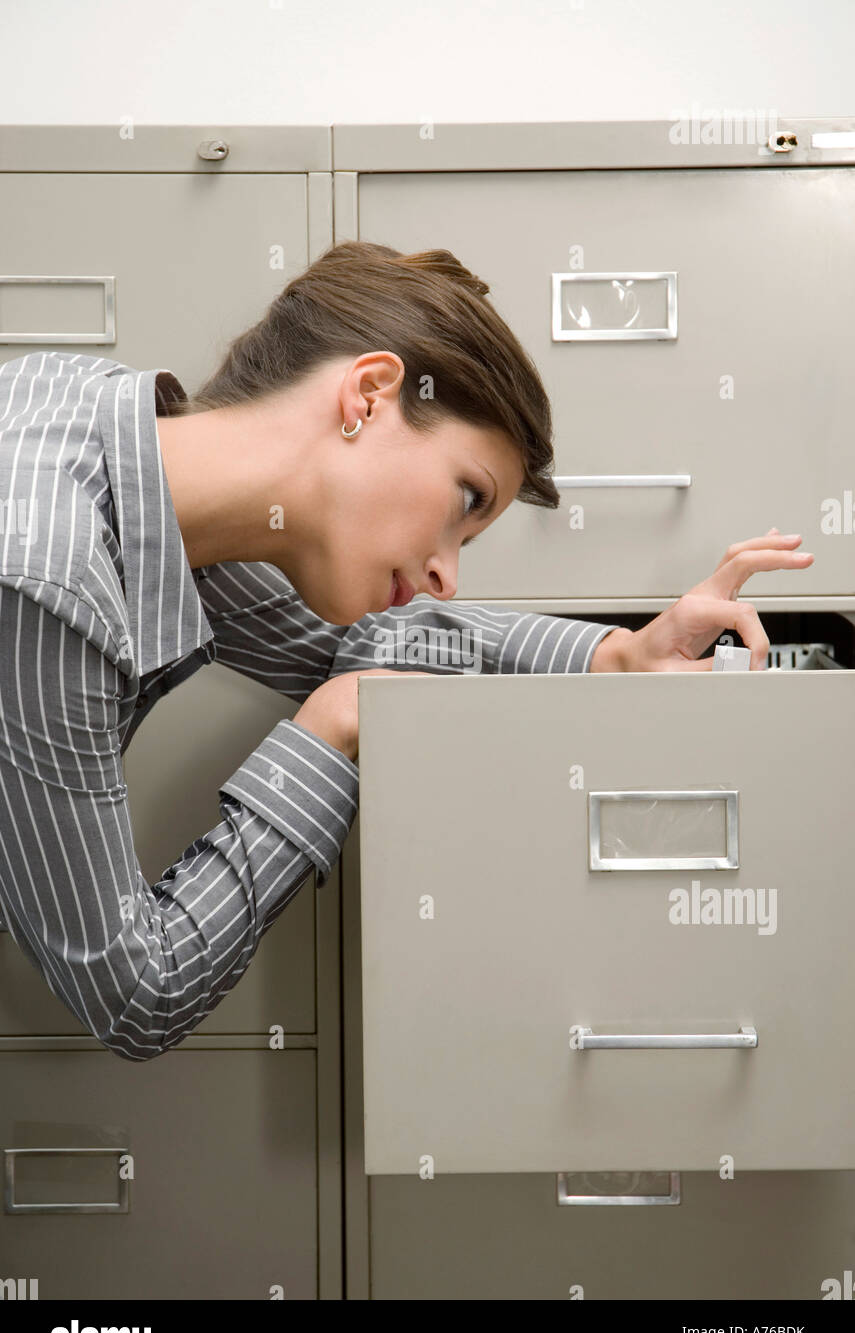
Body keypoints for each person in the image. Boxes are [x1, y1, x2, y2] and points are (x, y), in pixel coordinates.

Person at [0, 240, 812, 1061]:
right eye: (465, 499)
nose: (445, 575)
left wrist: (616, 660)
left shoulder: (90, 419)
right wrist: (326, 737)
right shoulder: (42, 583)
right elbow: (141, 994)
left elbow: (353, 646)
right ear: (368, 394)